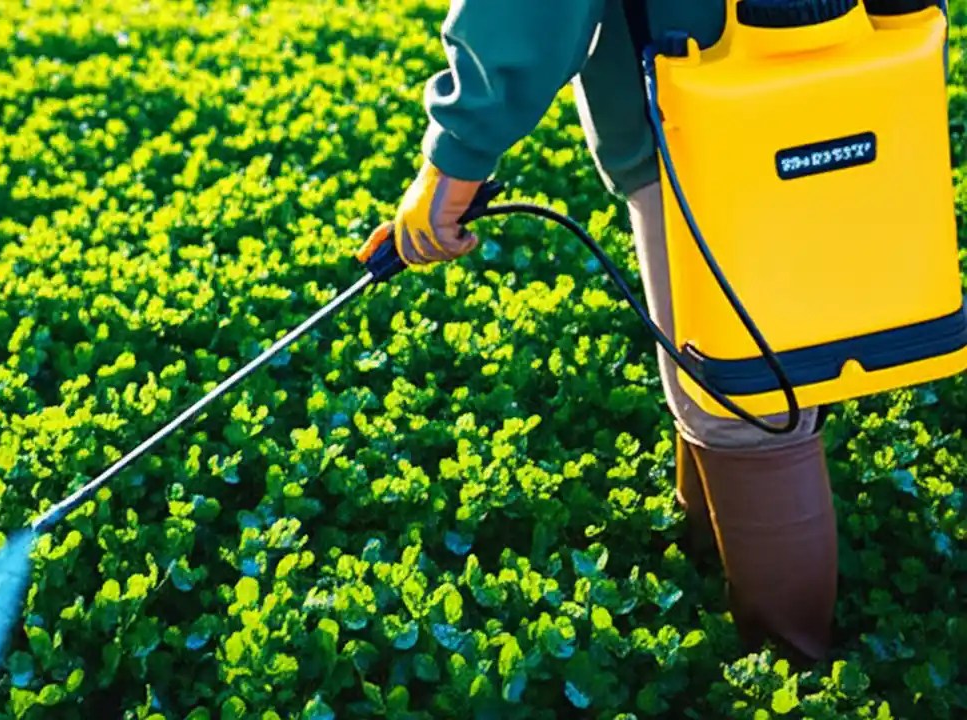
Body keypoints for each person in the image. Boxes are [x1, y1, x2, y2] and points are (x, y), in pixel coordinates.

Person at [358, 0, 838, 663]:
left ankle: (793, 675)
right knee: (726, 381)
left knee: (743, 404)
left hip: (711, 106)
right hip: (833, 71)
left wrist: (455, 159)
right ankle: (710, 565)